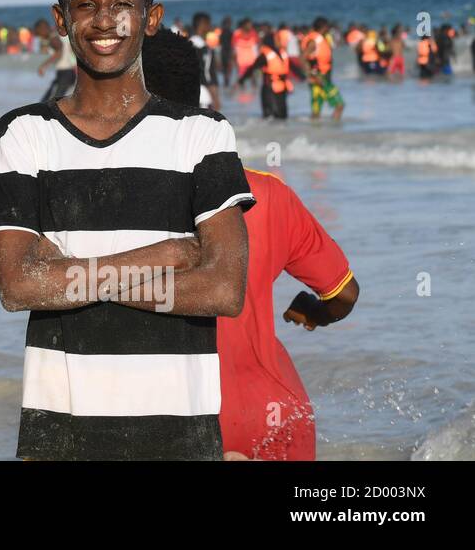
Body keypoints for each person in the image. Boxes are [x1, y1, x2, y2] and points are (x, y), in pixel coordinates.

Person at [0, 0, 252, 460]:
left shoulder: (201, 134)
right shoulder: (23, 134)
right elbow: (17, 286)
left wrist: (69, 273)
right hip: (58, 439)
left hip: (181, 438)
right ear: (61, 19)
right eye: (86, 5)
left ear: (151, 18)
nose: (105, 21)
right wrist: (163, 257)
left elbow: (224, 288)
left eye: (123, 5)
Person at [143, 23, 359, 460]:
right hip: (275, 415)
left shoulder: (114, 204)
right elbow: (345, 293)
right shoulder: (263, 192)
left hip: (175, 423)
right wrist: (313, 311)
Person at [302, 17, 345, 120]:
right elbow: (303, 58)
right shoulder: (314, 41)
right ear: (323, 27)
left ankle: (325, 132)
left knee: (318, 111)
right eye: (327, 27)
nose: (329, 29)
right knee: (338, 105)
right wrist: (312, 75)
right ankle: (329, 131)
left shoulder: (322, 38)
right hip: (318, 79)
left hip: (324, 79)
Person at [36, 18, 76, 103]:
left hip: (66, 73)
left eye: (38, 33)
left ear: (43, 29)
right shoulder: (56, 36)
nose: (39, 36)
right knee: (47, 100)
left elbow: (59, 52)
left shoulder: (53, 39)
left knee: (54, 102)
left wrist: (43, 66)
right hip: (65, 73)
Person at [190, 11, 221, 110]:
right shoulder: (202, 47)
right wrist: (215, 96)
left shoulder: (187, 43)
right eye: (208, 24)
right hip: (203, 95)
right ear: (202, 24)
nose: (210, 27)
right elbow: (205, 73)